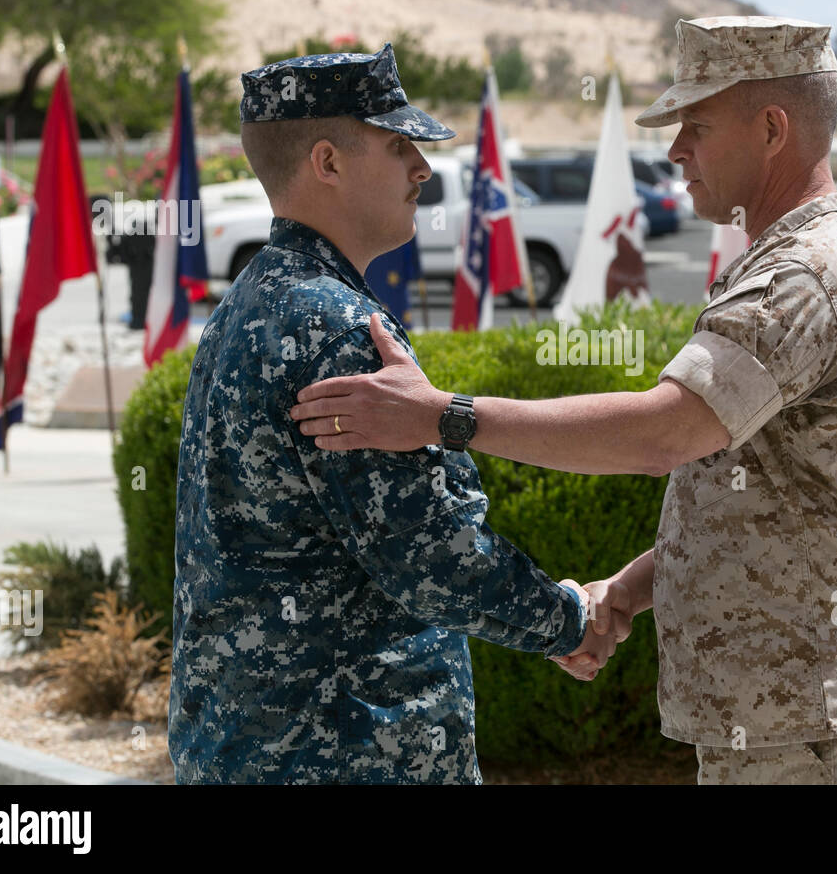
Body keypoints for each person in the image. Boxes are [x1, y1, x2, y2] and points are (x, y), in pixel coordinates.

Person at [289, 18, 837, 785]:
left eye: (696, 124)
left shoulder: (806, 273)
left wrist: (441, 416)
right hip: (792, 719)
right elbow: (771, 498)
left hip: (815, 725)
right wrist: (628, 591)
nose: (675, 150)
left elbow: (668, 431)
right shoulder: (800, 260)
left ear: (771, 129)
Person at [168, 47, 626, 785]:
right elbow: (428, 555)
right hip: (347, 748)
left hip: (248, 742)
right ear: (327, 162)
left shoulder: (253, 302)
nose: (422, 167)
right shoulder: (336, 330)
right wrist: (568, 620)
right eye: (397, 145)